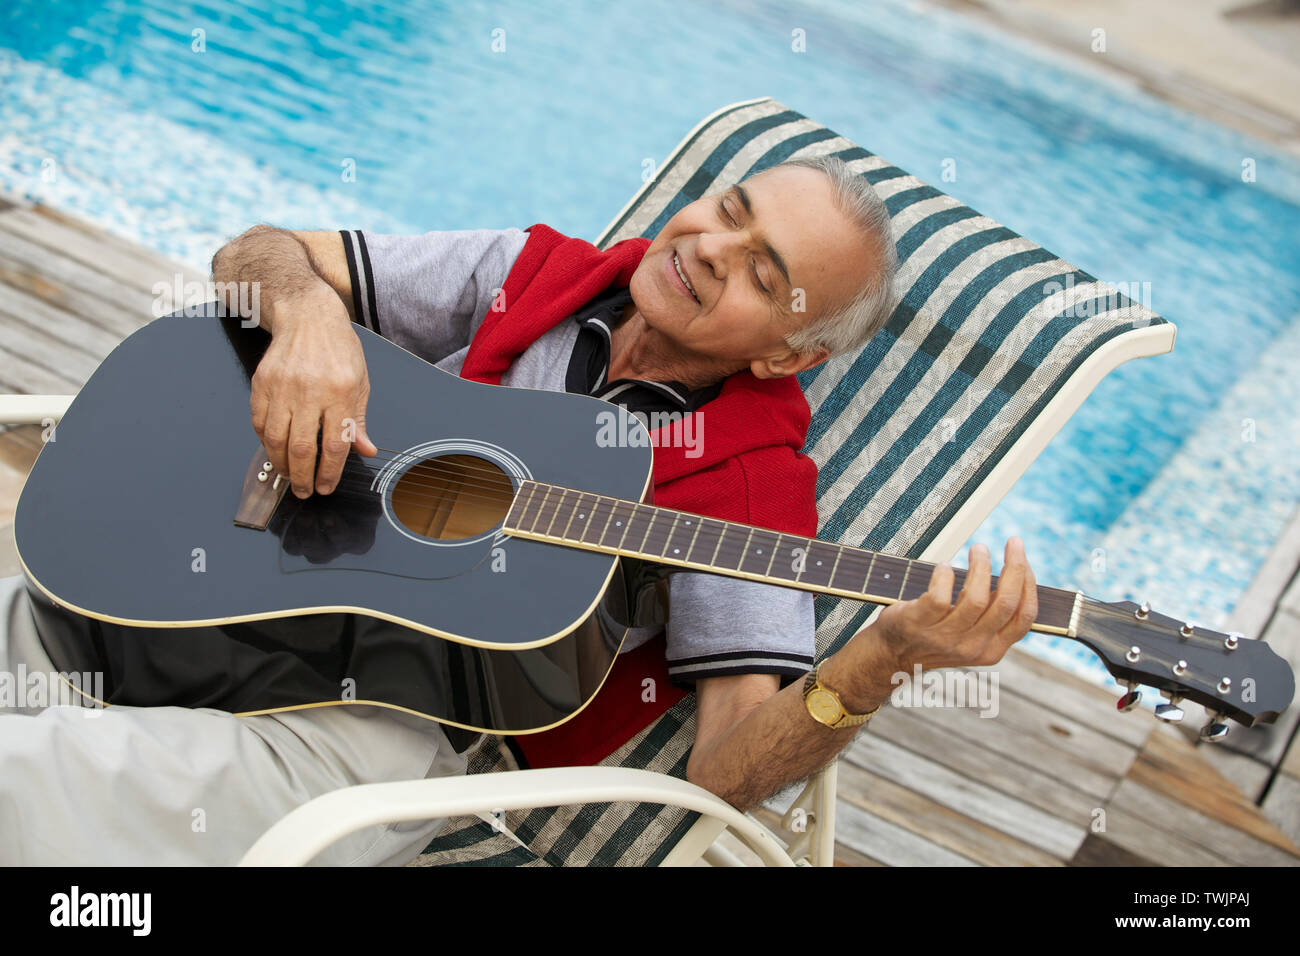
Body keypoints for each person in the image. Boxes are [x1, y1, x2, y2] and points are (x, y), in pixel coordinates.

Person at [0, 157, 1038, 865]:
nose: (716, 246)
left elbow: (727, 768)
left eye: (763, 272)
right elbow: (257, 252)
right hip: (206, 604)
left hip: (370, 737)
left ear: (785, 354)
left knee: (25, 777)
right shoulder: (530, 270)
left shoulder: (750, 491)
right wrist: (310, 316)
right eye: (730, 209)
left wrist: (884, 656)